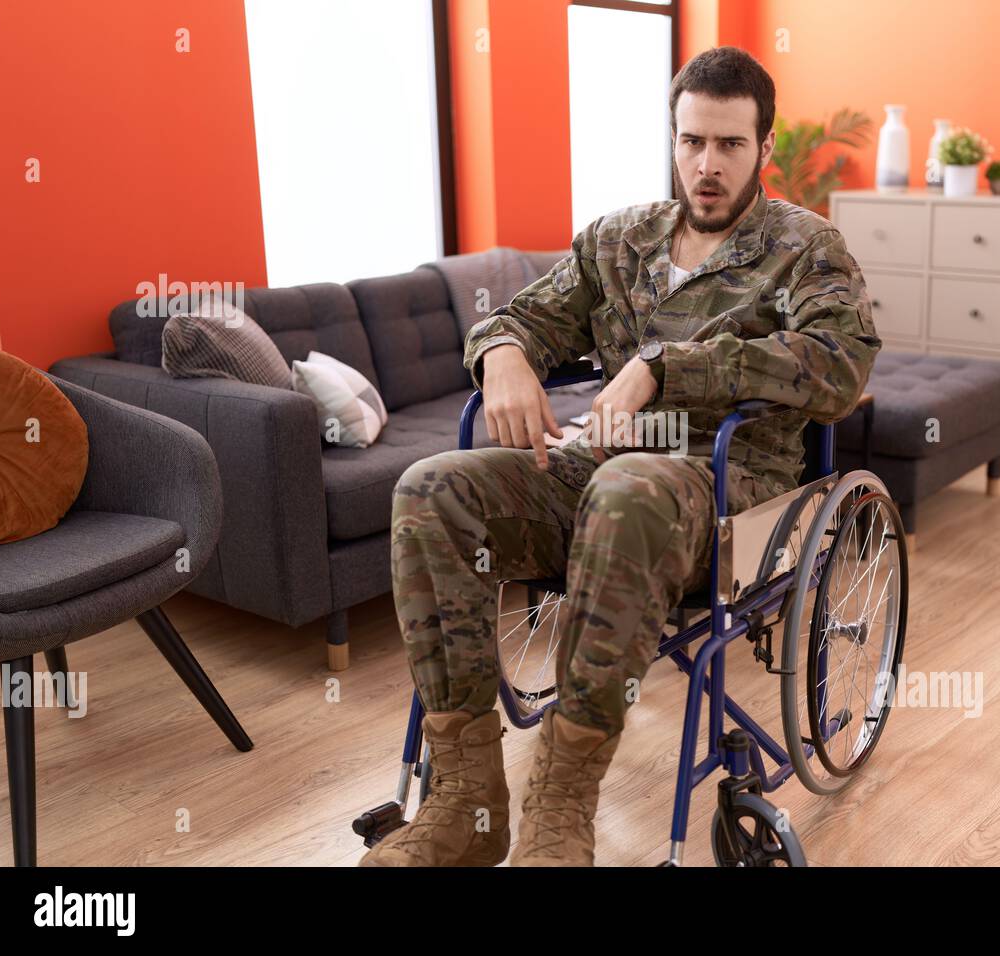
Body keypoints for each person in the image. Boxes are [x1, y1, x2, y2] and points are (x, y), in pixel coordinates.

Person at [360, 45, 880, 867]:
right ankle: (465, 799)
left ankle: (561, 807)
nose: (706, 166)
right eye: (691, 142)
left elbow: (840, 368)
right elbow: (520, 319)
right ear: (673, 138)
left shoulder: (807, 250)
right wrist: (502, 354)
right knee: (431, 489)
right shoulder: (617, 242)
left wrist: (668, 366)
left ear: (765, 148)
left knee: (632, 488)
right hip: (597, 475)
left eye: (730, 145)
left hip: (727, 488)